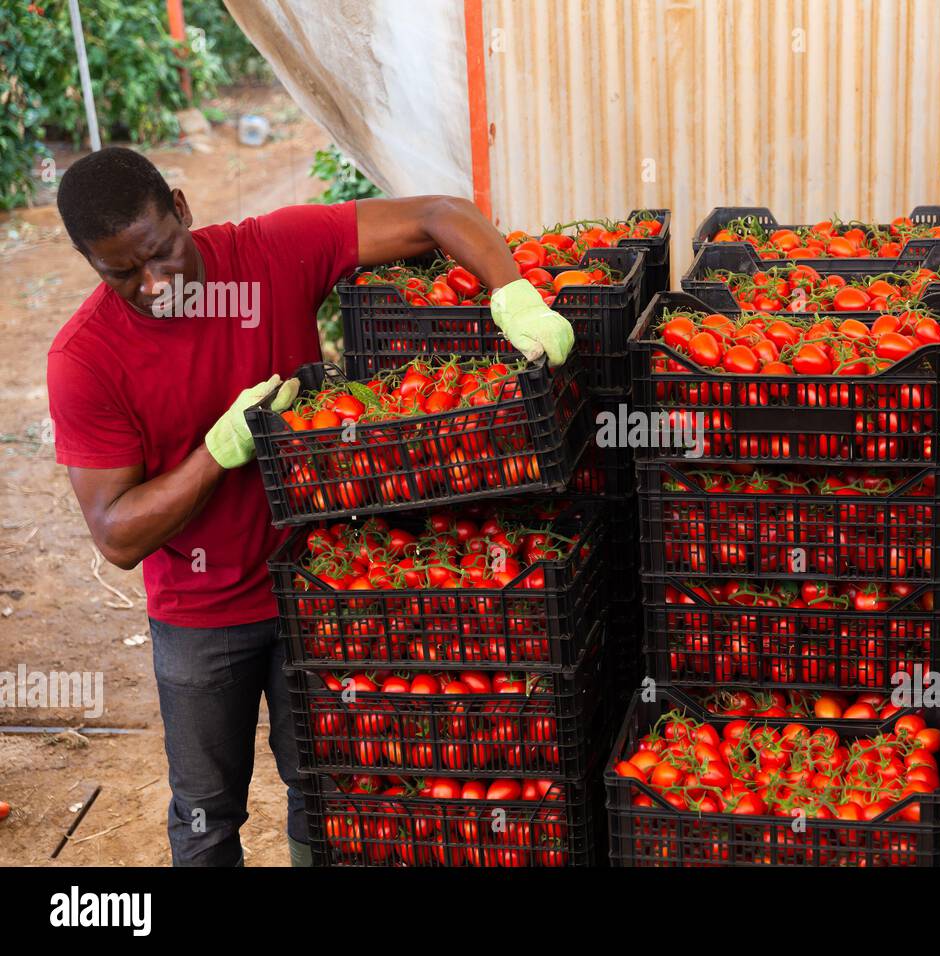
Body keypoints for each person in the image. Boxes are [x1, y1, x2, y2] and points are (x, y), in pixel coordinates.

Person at [45, 146, 574, 867]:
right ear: (90, 264)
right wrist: (221, 449)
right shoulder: (85, 358)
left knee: (325, 787)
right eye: (122, 273)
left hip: (318, 590)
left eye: (161, 252)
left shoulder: (269, 254)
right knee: (205, 813)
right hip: (198, 619)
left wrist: (512, 294)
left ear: (181, 206)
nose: (154, 282)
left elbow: (436, 214)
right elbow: (115, 533)